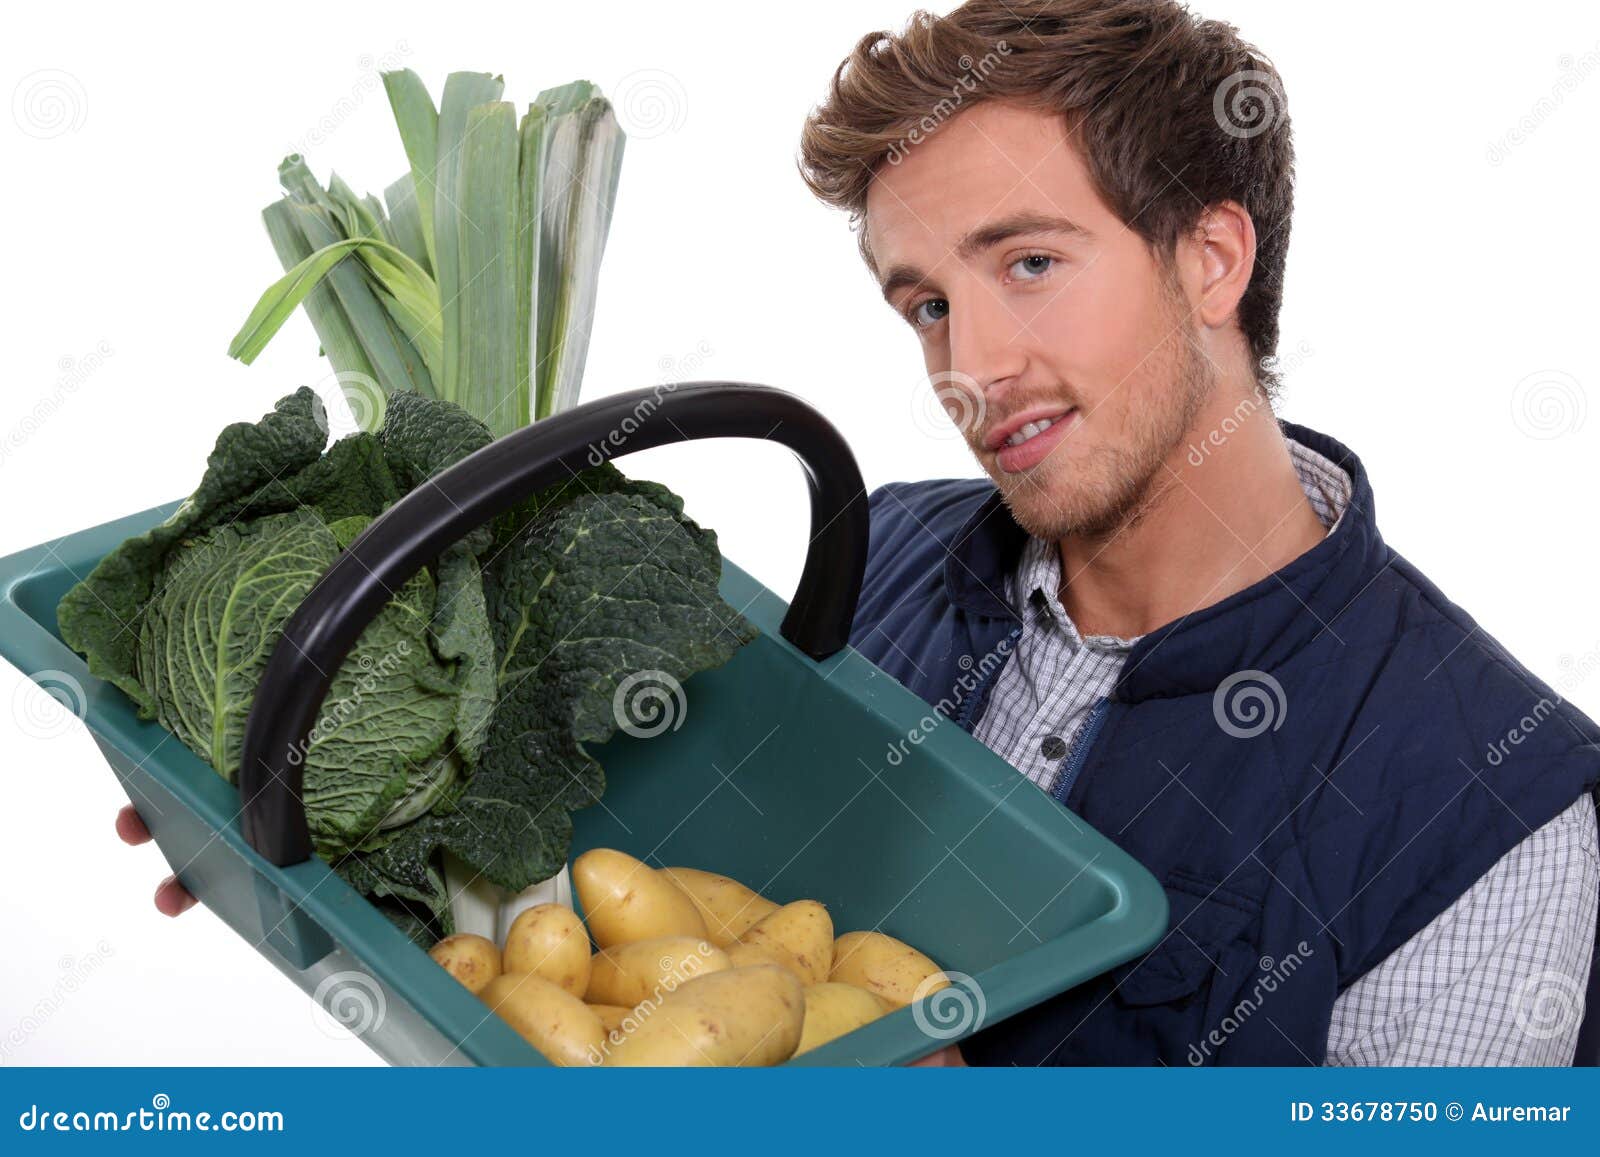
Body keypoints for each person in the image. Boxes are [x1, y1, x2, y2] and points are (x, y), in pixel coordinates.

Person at [796, 0, 1600, 1064]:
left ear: (1212, 259)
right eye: (929, 307)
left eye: (1030, 264)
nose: (972, 370)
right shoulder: (876, 552)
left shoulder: (1489, 799)